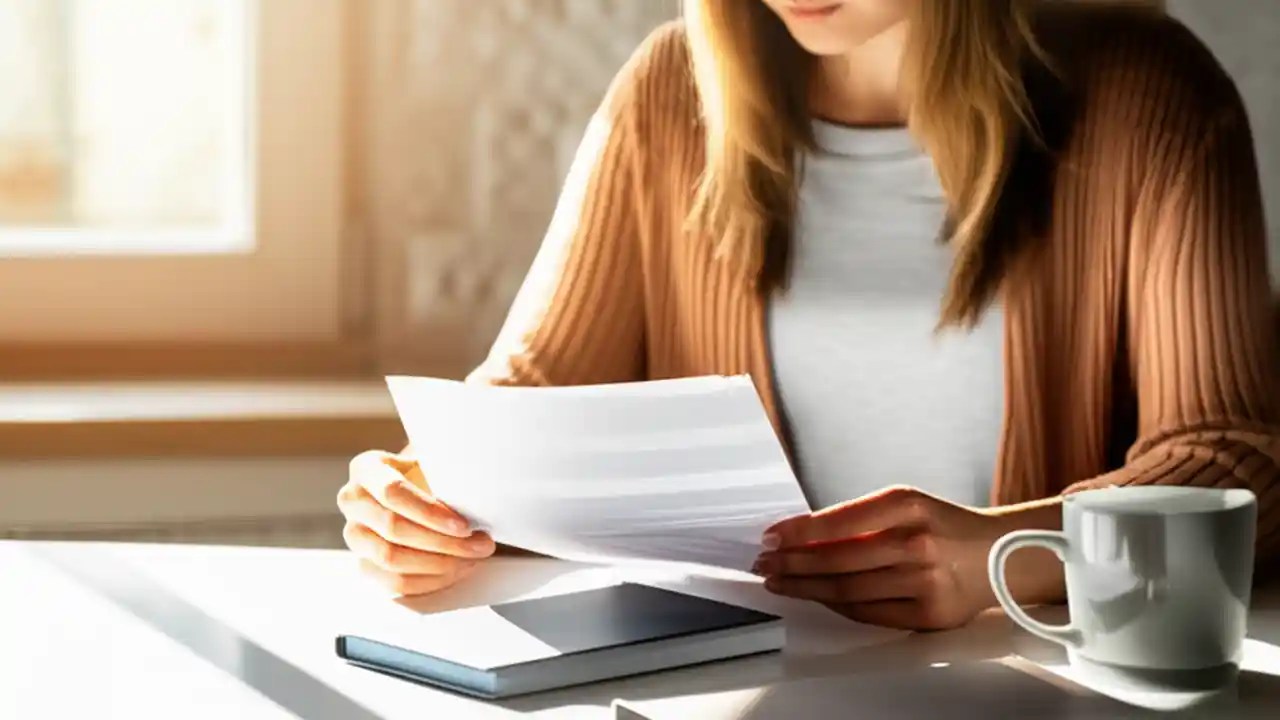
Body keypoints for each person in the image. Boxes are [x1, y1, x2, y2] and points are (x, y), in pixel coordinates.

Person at [336, 0, 1279, 630]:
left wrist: (1003, 555)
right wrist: (425, 498)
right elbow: (530, 401)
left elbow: (1239, 461)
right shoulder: (670, 92)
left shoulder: (1150, 94)